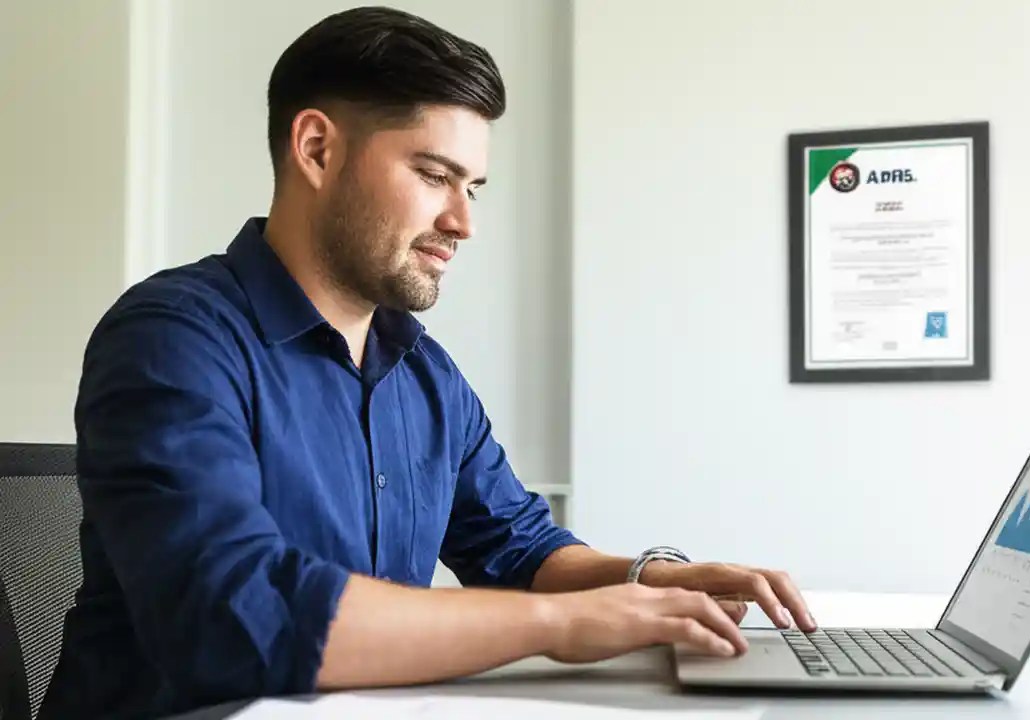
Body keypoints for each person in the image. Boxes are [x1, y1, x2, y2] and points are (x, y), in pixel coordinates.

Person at [39, 6, 816, 719]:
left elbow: (518, 550)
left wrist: (655, 582)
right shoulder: (173, 337)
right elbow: (233, 612)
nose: (463, 221)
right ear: (316, 149)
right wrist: (561, 624)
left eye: (473, 186)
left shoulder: (422, 371)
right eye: (434, 175)